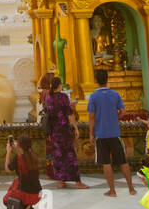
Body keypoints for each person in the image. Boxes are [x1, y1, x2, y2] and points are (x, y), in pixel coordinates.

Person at [87, 68, 134, 196]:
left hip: (101, 134)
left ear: (96, 80)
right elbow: (123, 112)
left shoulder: (93, 96)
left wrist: (91, 133)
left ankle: (112, 191)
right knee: (122, 160)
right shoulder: (115, 94)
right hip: (115, 133)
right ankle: (131, 188)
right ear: (107, 79)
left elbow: (91, 117)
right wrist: (115, 117)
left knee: (106, 162)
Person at [43, 76, 87, 189]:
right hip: (64, 130)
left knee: (58, 156)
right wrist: (76, 128)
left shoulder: (49, 97)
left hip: (54, 131)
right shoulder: (63, 97)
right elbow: (69, 113)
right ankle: (77, 182)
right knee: (70, 155)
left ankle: (61, 181)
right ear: (59, 85)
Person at [3, 133, 42, 209]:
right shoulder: (34, 156)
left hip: (26, 195)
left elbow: (7, 169)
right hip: (38, 194)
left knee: (6, 200)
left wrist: (8, 152)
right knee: (17, 181)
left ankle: (24, 207)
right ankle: (28, 206)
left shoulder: (18, 159)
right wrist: (16, 145)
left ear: (19, 146)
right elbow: (24, 149)